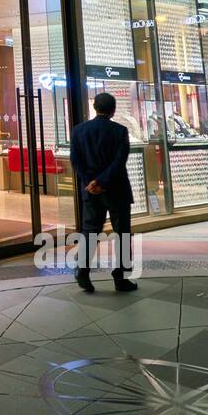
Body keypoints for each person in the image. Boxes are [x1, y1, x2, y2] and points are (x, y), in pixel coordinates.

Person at [70, 91, 138, 294]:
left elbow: (76, 161)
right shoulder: (120, 131)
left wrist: (90, 183)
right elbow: (119, 161)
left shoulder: (79, 131)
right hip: (116, 189)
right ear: (113, 109)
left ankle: (83, 271)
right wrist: (102, 181)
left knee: (90, 231)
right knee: (122, 233)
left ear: (94, 107)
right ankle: (121, 278)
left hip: (91, 192)